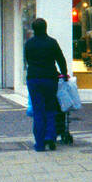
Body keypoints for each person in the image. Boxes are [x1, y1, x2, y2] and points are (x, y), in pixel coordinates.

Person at [24, 17, 67, 152]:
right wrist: (64, 74)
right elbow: (61, 59)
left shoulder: (29, 44)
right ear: (46, 28)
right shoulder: (52, 42)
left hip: (34, 79)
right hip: (50, 78)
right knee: (50, 109)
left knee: (38, 111)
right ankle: (50, 137)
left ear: (33, 29)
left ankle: (40, 144)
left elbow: (27, 60)